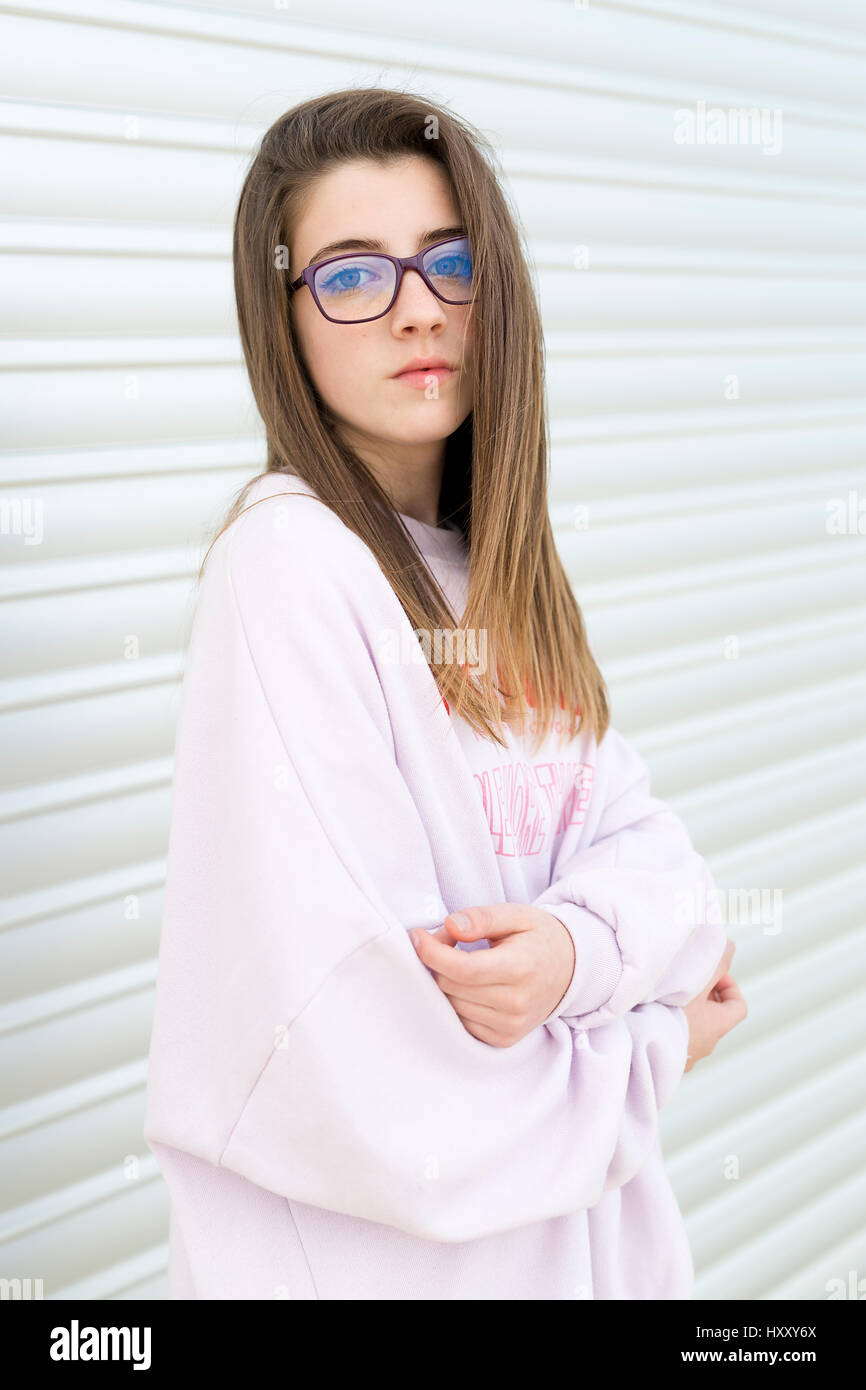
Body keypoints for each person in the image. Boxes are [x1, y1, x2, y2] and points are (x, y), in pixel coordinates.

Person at [143, 87, 747, 1300]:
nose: (417, 307)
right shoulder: (292, 568)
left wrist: (575, 952)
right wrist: (649, 1047)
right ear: (285, 315)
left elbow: (673, 880)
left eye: (449, 260)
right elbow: (365, 1065)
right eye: (351, 274)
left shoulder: (495, 569)